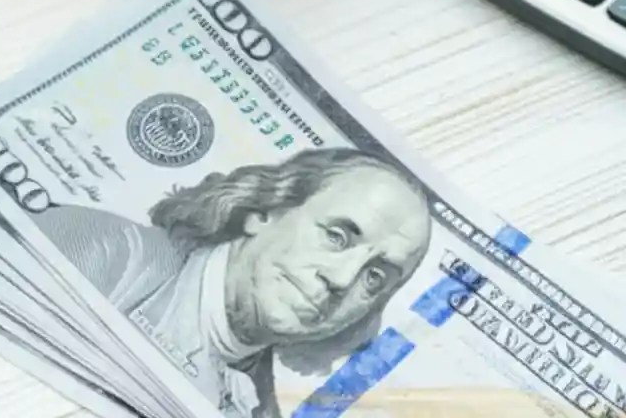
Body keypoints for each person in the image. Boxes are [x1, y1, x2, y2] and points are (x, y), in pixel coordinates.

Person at [32, 147, 433, 418]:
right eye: (337, 237)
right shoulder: (97, 250)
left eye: (376, 277)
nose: (342, 279)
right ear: (265, 211)